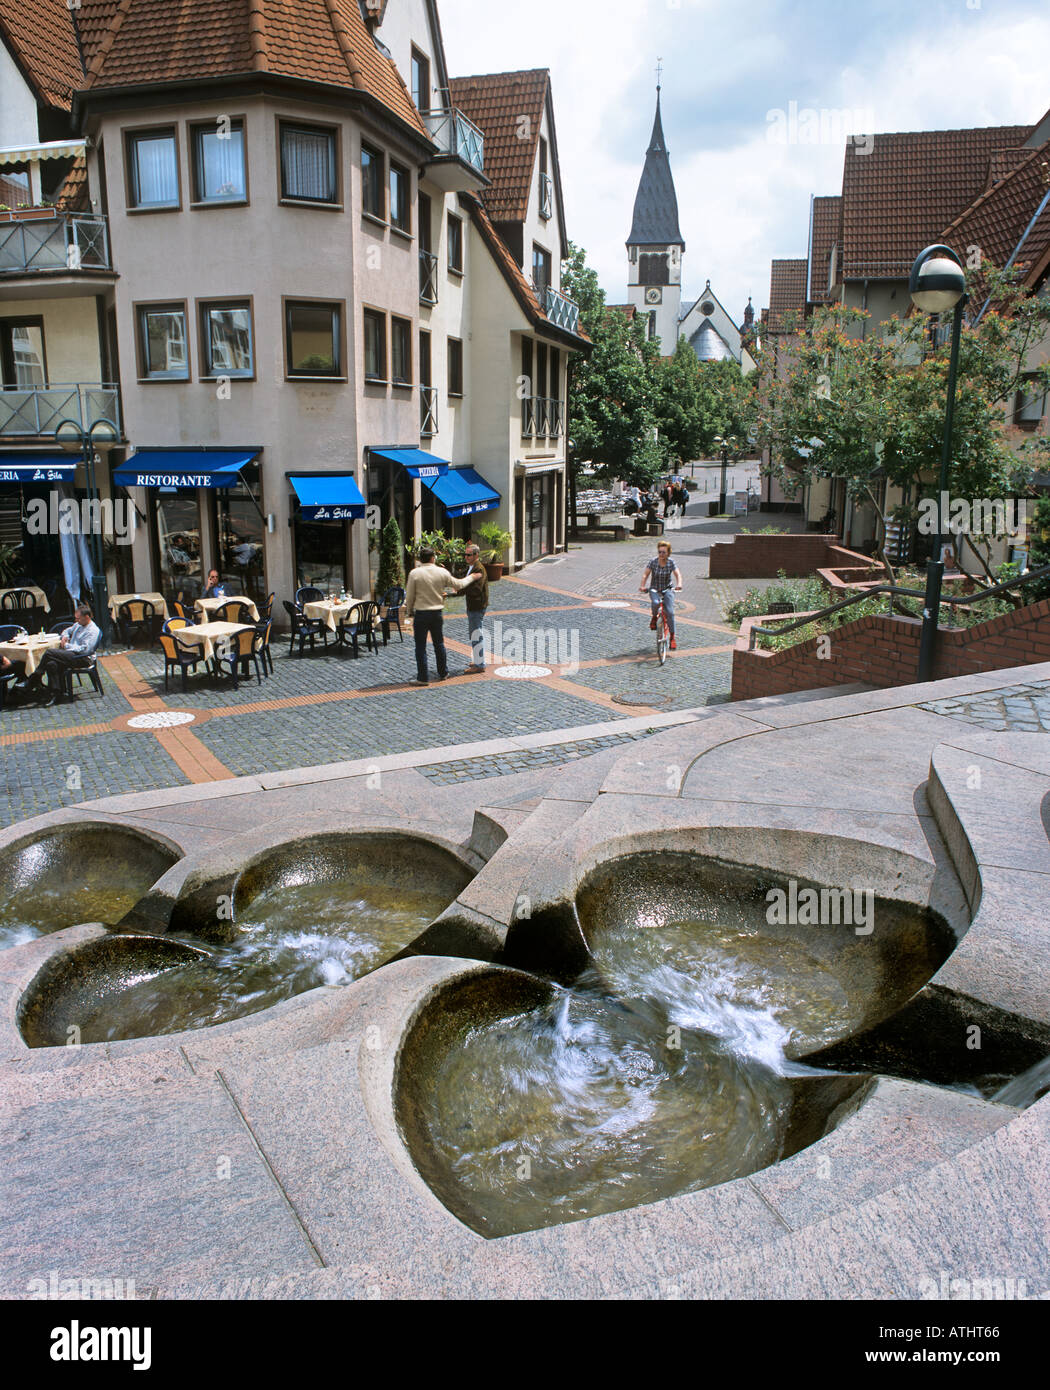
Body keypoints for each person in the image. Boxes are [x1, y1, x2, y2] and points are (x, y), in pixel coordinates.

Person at [404, 546, 480, 685]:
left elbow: (409, 596)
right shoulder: (441, 572)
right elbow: (459, 584)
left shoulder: (414, 574)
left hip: (421, 613)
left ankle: (422, 678)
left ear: (421, 559)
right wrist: (472, 577)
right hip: (436, 613)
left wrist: (409, 611)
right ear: (433, 558)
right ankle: (443, 672)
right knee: (439, 643)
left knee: (420, 646)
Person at [31, 603, 101, 705]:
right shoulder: (78, 624)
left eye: (78, 618)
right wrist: (65, 636)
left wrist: (67, 645)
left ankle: (34, 678)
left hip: (83, 658)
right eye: (76, 618)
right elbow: (67, 630)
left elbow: (85, 650)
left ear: (87, 617)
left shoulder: (93, 631)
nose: (76, 621)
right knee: (51, 663)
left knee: (50, 652)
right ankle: (56, 694)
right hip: (72, 654)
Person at [638, 541, 683, 651]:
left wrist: (679, 584)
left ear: (668, 553)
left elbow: (678, 574)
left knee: (670, 612)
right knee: (656, 603)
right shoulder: (653, 562)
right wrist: (642, 586)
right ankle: (654, 617)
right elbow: (645, 574)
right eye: (659, 552)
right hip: (654, 588)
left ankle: (672, 637)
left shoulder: (671, 562)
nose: (661, 554)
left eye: (664, 552)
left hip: (667, 589)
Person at [462, 542, 490, 674]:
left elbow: (476, 589)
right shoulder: (472, 567)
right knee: (474, 634)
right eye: (465, 554)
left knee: (476, 635)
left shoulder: (479, 569)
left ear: (476, 555)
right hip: (473, 606)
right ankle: (479, 661)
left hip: (476, 607)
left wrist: (460, 588)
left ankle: (480, 665)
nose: (466, 557)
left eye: (469, 555)